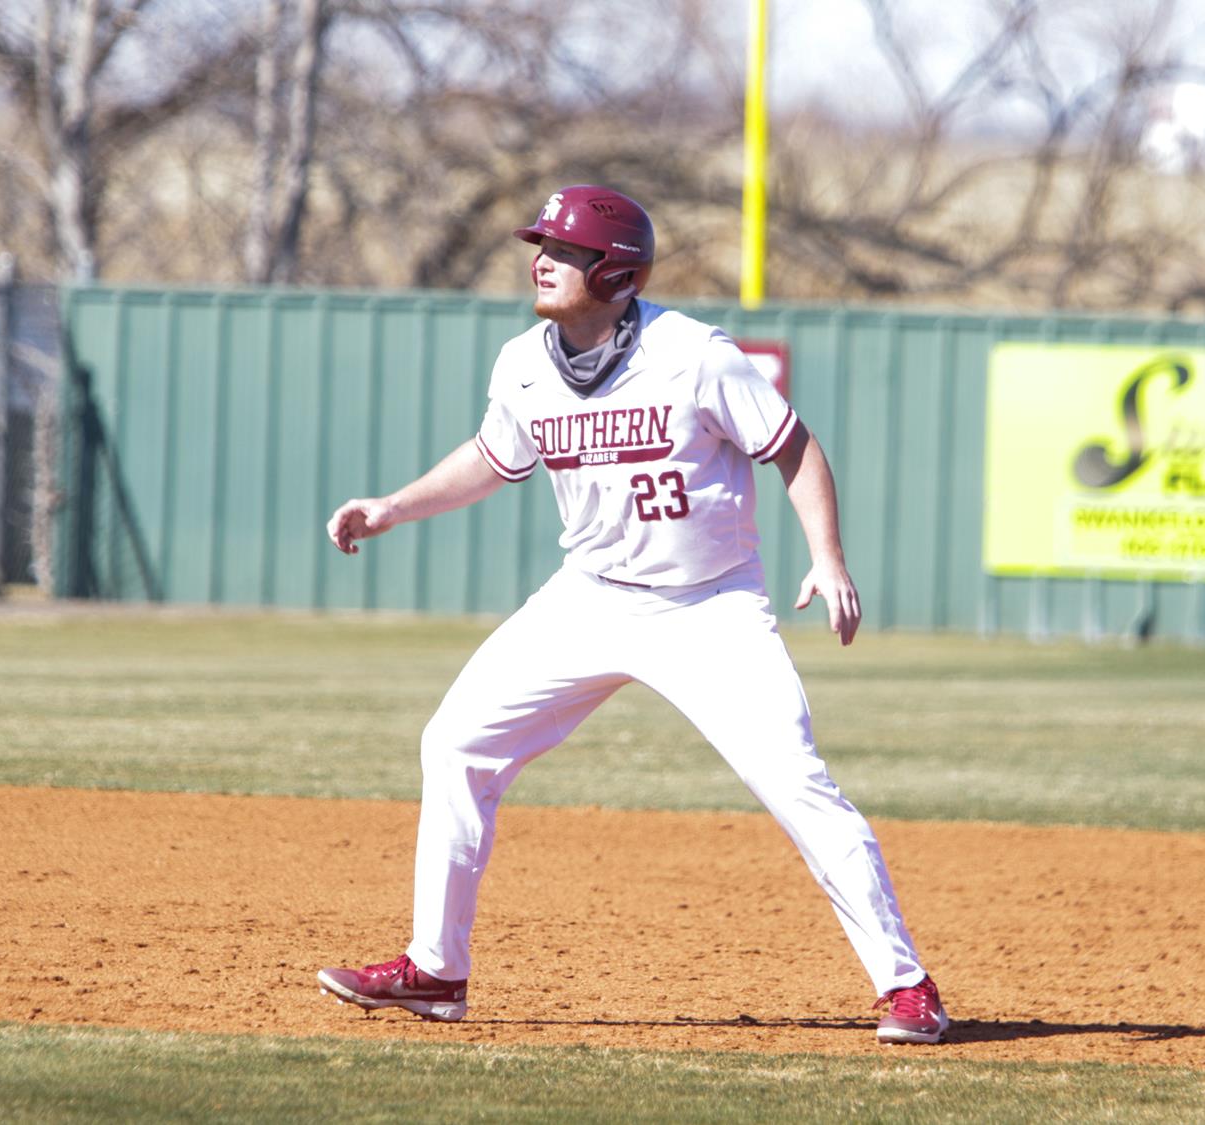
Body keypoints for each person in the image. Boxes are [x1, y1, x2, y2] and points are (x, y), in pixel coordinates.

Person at [314, 185, 948, 1043]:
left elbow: (793, 447)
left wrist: (826, 556)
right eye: (541, 244)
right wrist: (393, 506)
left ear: (613, 270)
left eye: (564, 250)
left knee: (794, 779)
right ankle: (435, 969)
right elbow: (495, 458)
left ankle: (907, 986)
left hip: (709, 606)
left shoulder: (694, 354)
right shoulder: (523, 364)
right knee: (455, 742)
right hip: (589, 598)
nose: (541, 259)